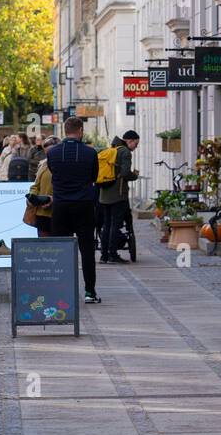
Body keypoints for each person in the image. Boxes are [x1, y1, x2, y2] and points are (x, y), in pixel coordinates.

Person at [47, 117, 102, 303]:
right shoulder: (90, 153)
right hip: (84, 204)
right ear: (80, 130)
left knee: (60, 250)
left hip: (61, 206)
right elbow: (94, 176)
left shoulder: (53, 153)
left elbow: (53, 171)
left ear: (65, 130)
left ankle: (61, 291)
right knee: (87, 250)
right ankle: (89, 292)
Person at [98, 131, 140, 263]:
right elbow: (125, 173)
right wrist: (135, 175)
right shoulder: (125, 152)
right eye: (136, 143)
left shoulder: (110, 149)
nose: (136, 147)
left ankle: (104, 255)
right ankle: (113, 254)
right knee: (115, 225)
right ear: (130, 141)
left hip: (104, 194)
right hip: (118, 194)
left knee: (107, 225)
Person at [26, 136, 59, 237]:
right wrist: (32, 197)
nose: (49, 155)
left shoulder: (64, 165)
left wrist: (53, 200)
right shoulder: (43, 165)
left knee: (59, 247)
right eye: (47, 152)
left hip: (58, 212)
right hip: (42, 213)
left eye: (51, 152)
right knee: (43, 247)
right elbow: (36, 185)